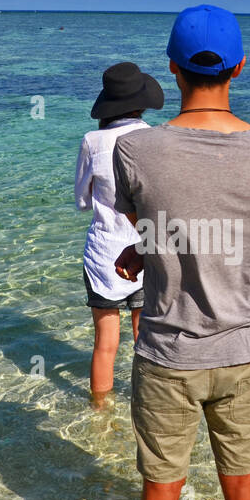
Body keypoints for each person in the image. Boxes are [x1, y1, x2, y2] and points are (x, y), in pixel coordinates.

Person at [111, 4, 250, 500]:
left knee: (163, 481)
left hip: (167, 349)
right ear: (239, 68)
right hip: (246, 347)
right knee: (242, 481)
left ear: (172, 68)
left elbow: (151, 222)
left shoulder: (135, 149)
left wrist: (149, 255)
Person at [75, 62, 164, 408]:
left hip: (103, 254)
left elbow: (83, 201)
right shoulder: (154, 139)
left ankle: (100, 415)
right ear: (142, 102)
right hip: (147, 248)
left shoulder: (92, 141)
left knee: (105, 343)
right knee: (146, 338)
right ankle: (147, 403)